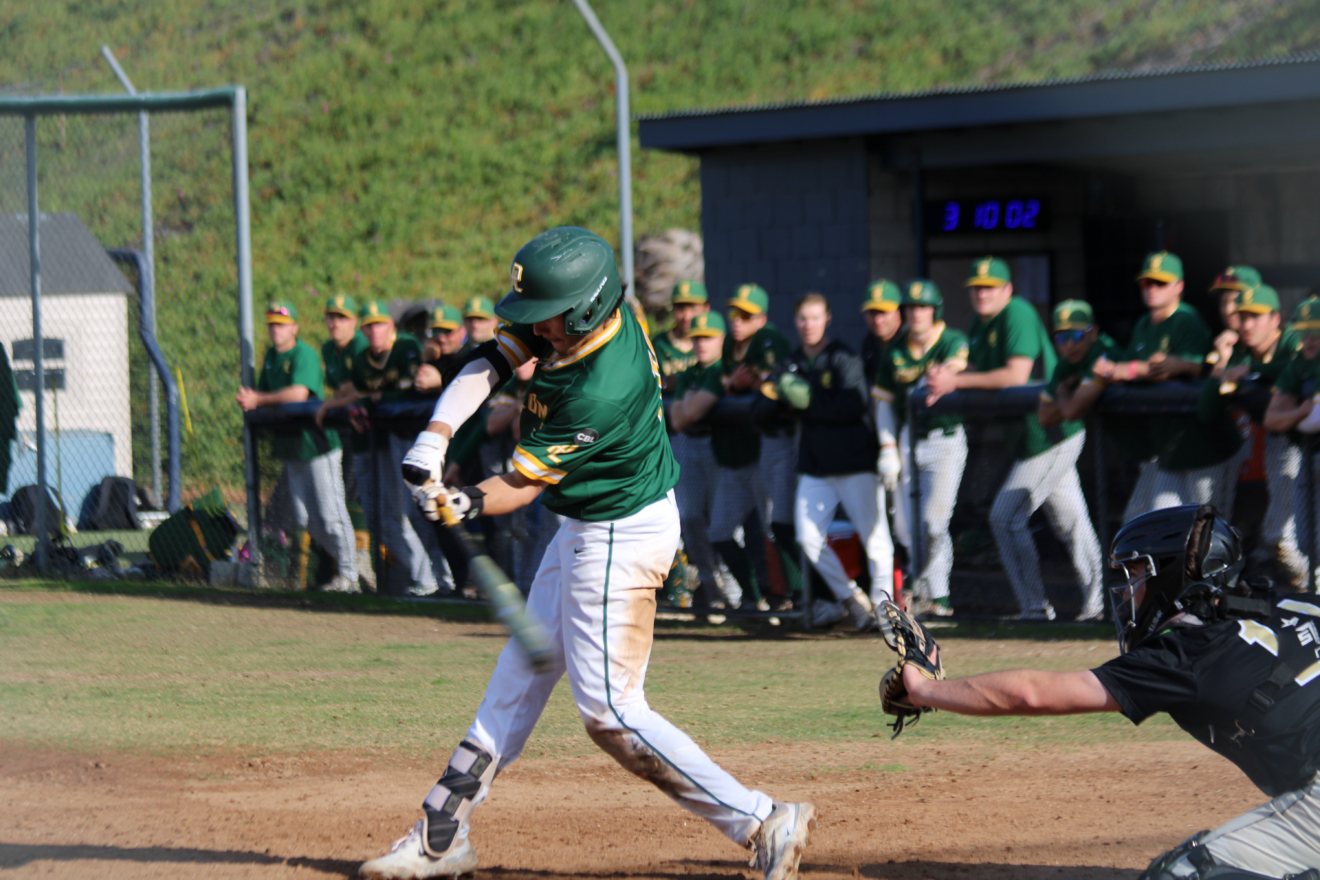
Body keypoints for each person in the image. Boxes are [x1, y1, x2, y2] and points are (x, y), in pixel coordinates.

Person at [360, 227, 816, 880]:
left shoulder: (601, 388)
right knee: (516, 680)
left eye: (546, 316)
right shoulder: (588, 321)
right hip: (588, 523)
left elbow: (521, 485)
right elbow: (493, 359)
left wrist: (462, 501)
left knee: (611, 714)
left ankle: (764, 818)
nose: (535, 327)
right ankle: (441, 833)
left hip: (618, 535)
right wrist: (436, 437)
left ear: (582, 310)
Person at [895, 503, 1320, 880]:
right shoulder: (1296, 604)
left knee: (1184, 874)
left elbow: (1032, 694)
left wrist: (922, 688)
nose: (1128, 590)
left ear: (1173, 574)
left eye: (1136, 574)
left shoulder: (1188, 652)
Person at [926, 257, 1095, 620]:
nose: (981, 294)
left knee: (1005, 517)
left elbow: (1016, 375)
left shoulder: (1016, 311)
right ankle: (1101, 604)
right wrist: (947, 375)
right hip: (1032, 440)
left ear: (1007, 289)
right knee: (1072, 523)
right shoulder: (980, 322)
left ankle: (1035, 609)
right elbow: (978, 368)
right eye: (976, 287)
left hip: (1051, 434)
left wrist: (956, 381)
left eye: (989, 287)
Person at [1093, 252, 1244, 519]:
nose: (1152, 288)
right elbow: (1130, 369)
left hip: (1203, 443)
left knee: (1208, 530)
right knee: (1158, 524)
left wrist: (1131, 370)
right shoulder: (1143, 323)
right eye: (1147, 283)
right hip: (1167, 445)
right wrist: (1121, 370)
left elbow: (1172, 369)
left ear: (1178, 286)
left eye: (1160, 283)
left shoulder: (1186, 320)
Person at [316, 300, 445, 596]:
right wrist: (356, 402)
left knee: (416, 513)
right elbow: (361, 393)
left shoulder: (406, 346)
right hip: (385, 442)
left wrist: (377, 397)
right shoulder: (363, 359)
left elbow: (410, 390)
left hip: (418, 439)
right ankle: (425, 580)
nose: (374, 330)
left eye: (380, 324)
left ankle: (441, 579)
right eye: (369, 325)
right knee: (383, 519)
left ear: (390, 326)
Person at [780, 293, 890, 631]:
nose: (808, 325)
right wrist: (781, 397)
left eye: (815, 317)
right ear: (795, 321)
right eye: (803, 318)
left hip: (854, 461)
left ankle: (886, 611)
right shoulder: (791, 361)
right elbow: (768, 403)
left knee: (875, 540)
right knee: (808, 536)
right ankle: (853, 600)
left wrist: (807, 400)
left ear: (827, 319)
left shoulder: (843, 356)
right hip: (815, 464)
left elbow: (852, 404)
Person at [237, 301, 358, 592]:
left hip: (318, 445)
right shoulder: (271, 356)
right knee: (305, 519)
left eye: (282, 324)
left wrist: (258, 400)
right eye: (272, 324)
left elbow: (298, 393)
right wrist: (253, 397)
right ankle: (351, 564)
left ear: (295, 328)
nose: (276, 330)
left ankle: (350, 574)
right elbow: (264, 393)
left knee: (330, 514)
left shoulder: (304, 354)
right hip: (292, 449)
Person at [872, 279, 968, 617]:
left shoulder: (951, 339)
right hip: (907, 439)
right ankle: (936, 598)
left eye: (923, 307)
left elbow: (952, 369)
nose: (916, 313)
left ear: (935, 310)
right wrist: (887, 447)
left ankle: (920, 586)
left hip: (944, 437)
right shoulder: (895, 350)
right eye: (910, 307)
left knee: (933, 524)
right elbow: (883, 402)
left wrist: (938, 377)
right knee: (907, 528)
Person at [1203, 285, 1302, 580]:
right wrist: (1222, 361)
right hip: (1281, 440)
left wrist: (1250, 371)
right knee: (1280, 538)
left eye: (1255, 316)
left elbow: (1300, 366)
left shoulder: (1292, 339)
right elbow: (1207, 409)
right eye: (1243, 316)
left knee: (1292, 536)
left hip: (1308, 442)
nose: (1247, 324)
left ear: (1276, 319)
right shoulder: (1240, 350)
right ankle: (1308, 587)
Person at [1033, 300, 1114, 621]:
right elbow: (1044, 415)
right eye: (1061, 337)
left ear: (1093, 333)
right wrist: (1068, 397)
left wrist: (1066, 395)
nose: (1069, 344)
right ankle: (1102, 604)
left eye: (1077, 335)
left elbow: (1069, 410)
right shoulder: (1065, 366)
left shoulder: (1103, 352)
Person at [724, 283, 800, 603]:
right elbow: (728, 383)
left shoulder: (769, 339)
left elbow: (774, 386)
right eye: (735, 313)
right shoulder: (731, 343)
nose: (738, 321)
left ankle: (801, 593)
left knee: (781, 522)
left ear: (762, 318)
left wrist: (745, 384)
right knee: (768, 525)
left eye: (747, 315)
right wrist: (735, 384)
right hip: (755, 446)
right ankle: (777, 595)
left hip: (783, 438)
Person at [668, 311, 739, 610]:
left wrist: (690, 402)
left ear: (722, 339)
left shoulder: (725, 369)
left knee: (726, 525)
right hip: (689, 446)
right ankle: (712, 590)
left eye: (708, 337)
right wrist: (692, 402)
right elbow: (678, 419)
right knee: (690, 519)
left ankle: (736, 592)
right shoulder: (690, 373)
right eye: (697, 338)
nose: (701, 343)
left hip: (722, 450)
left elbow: (690, 412)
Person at [1265, 297, 1320, 583]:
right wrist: (1299, 411)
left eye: (1315, 332)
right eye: (1304, 332)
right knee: (1305, 541)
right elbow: (1271, 418)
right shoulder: (1299, 364)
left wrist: (1299, 414)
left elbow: (1316, 420)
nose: (1308, 339)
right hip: (1309, 457)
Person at [320, 293, 373, 589]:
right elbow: (341, 388)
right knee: (341, 492)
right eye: (331, 317)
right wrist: (344, 392)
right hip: (346, 426)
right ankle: (349, 563)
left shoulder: (361, 345)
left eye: (342, 317)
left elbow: (363, 386)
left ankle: (363, 558)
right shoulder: (329, 348)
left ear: (354, 322)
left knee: (356, 492)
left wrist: (341, 394)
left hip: (367, 428)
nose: (335, 323)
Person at [652, 279, 709, 391]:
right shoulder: (659, 344)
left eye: (693, 308)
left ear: (706, 308)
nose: (686, 316)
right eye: (680, 308)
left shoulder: (714, 342)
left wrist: (684, 382)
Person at [860, 278, 903, 388]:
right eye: (872, 313)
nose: (877, 320)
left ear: (898, 312)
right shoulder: (869, 343)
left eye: (883, 312)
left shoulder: (910, 340)